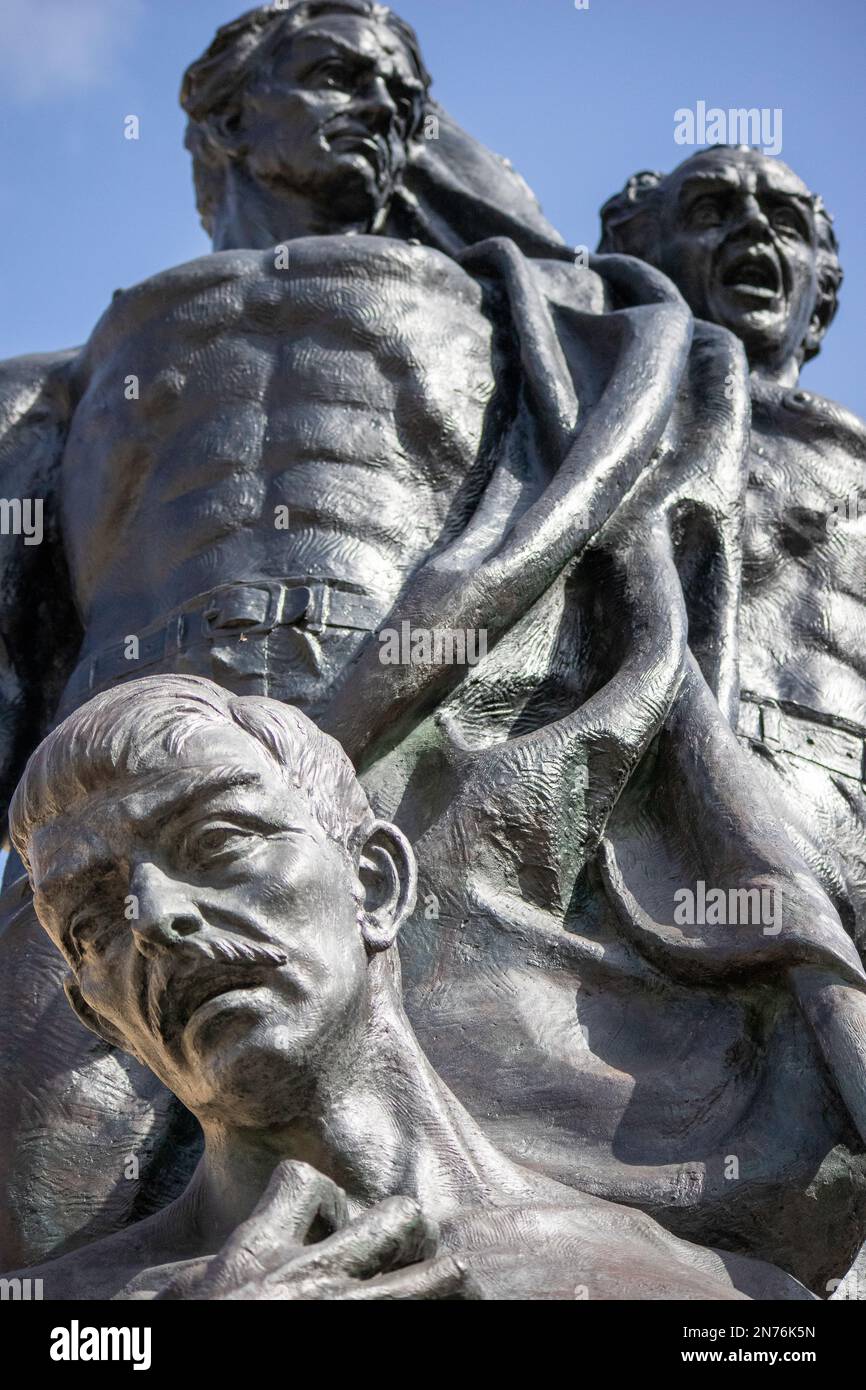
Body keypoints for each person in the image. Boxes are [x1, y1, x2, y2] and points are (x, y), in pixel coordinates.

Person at [6, 674, 814, 1300]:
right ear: (103, 1018)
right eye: (92, 922)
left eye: (216, 840)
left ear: (376, 884)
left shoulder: (714, 1301)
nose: (152, 918)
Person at [599, 146, 866, 957]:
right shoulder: (595, 430)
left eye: (785, 223)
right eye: (712, 211)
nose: (753, 228)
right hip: (683, 823)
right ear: (640, 255)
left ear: (820, 296)